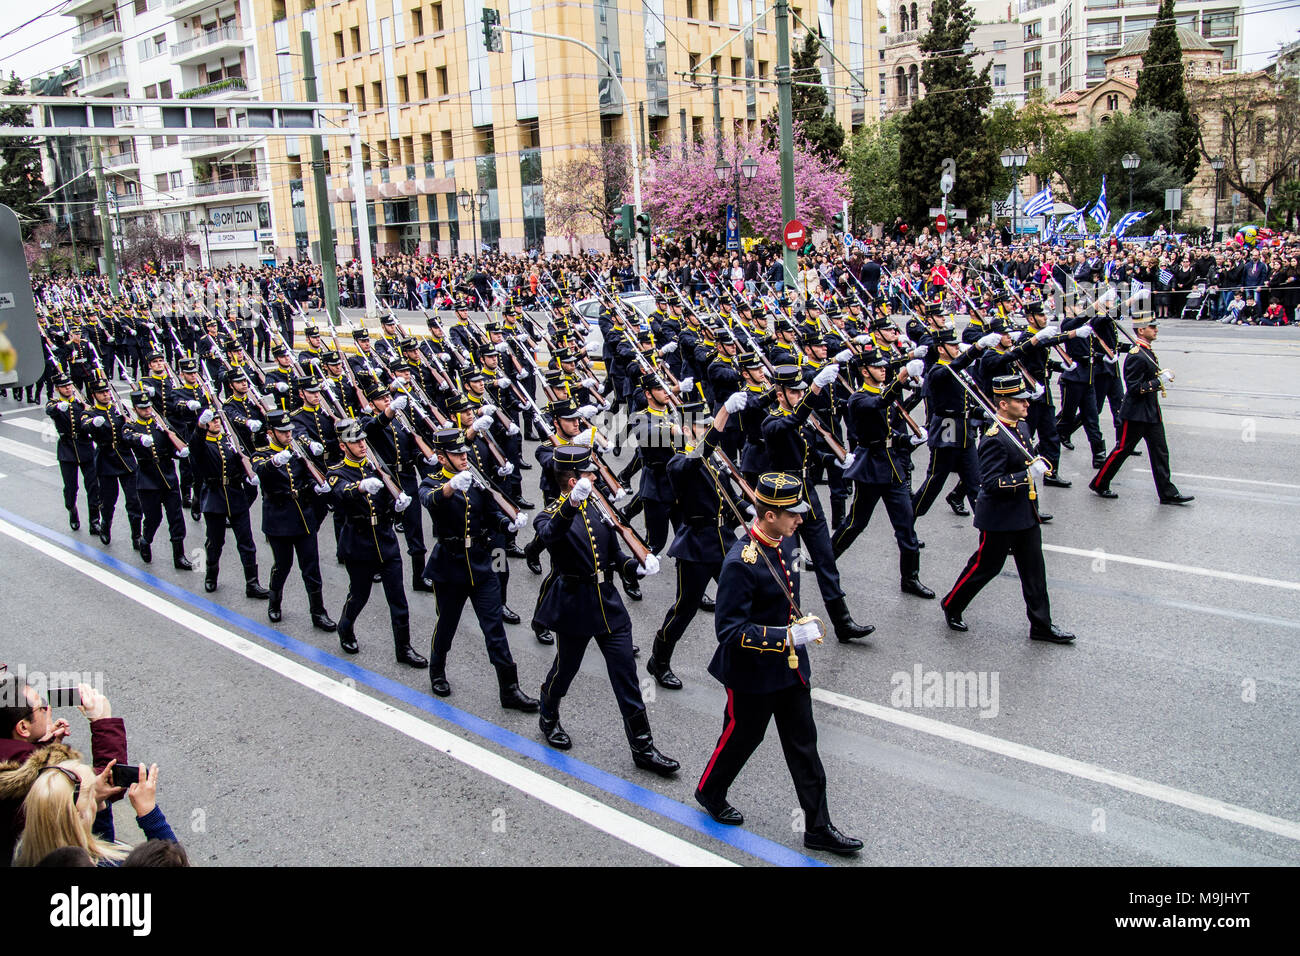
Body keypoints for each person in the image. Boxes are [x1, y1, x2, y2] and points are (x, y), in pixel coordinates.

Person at [695, 472, 863, 855]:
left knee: (804, 744)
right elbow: (730, 630)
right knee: (743, 737)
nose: (800, 520)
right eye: (792, 514)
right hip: (751, 673)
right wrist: (785, 636)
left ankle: (818, 827)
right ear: (769, 515)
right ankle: (710, 790)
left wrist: (798, 628)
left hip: (790, 669)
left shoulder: (786, 542)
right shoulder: (741, 561)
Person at [532, 446, 678, 775]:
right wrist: (570, 506)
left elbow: (613, 555)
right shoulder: (552, 514)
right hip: (575, 605)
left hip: (608, 604)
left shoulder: (599, 510)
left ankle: (643, 746)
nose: (594, 476)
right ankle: (548, 713)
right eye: (587, 473)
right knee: (565, 669)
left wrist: (634, 568)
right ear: (571, 482)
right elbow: (549, 535)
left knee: (626, 675)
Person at [940, 374, 1076, 643]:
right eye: (1020, 401)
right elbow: (989, 483)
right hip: (1000, 519)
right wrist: (1027, 476)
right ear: (1003, 404)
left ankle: (1041, 625)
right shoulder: (994, 439)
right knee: (985, 567)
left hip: (1025, 513)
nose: (1026, 405)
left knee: (1034, 571)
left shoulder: (1020, 427)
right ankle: (952, 604)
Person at [417, 427, 536, 709]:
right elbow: (429, 500)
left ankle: (509, 689)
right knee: (447, 623)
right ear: (442, 457)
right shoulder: (432, 481)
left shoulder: (475, 479)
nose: (463, 457)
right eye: (456, 454)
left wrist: (506, 523)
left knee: (494, 628)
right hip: (450, 565)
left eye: (463, 452)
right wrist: (450, 486)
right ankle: (437, 670)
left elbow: (489, 511)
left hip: (481, 564)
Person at [647, 393, 748, 689]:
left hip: (724, 540)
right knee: (685, 609)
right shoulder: (679, 463)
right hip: (696, 546)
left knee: (739, 600)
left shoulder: (710, 459)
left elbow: (726, 494)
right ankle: (659, 660)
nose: (706, 430)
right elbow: (696, 459)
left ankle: (740, 661)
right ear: (690, 429)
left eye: (708, 425)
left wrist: (749, 508)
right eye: (702, 426)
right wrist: (722, 417)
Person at [831, 350, 934, 600]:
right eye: (877, 367)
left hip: (892, 466)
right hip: (871, 467)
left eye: (884, 367)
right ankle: (827, 558)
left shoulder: (883, 395)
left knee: (906, 525)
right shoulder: (859, 398)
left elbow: (890, 431)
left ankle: (910, 577)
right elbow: (878, 405)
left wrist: (911, 439)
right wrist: (900, 379)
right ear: (865, 371)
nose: (883, 370)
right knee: (857, 522)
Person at [326, 419, 428, 667]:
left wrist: (398, 505)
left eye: (362, 440)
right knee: (359, 595)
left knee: (398, 599)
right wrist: (359, 487)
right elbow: (340, 494)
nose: (362, 445)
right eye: (355, 442)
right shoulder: (336, 472)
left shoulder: (376, 467)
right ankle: (346, 626)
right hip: (358, 543)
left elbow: (388, 498)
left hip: (385, 539)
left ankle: (403, 648)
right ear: (343, 446)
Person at [0, 679, 127, 867]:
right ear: (23, 728)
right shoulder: (36, 772)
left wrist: (42, 747)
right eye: (41, 706)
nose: (48, 707)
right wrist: (103, 722)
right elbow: (105, 783)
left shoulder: (15, 763)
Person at [1089, 314, 1195, 505]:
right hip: (1136, 413)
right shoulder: (1136, 355)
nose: (1155, 330)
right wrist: (1158, 381)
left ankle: (1167, 492)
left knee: (1160, 451)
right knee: (1122, 450)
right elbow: (1135, 387)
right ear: (1141, 330)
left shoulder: (1146, 351)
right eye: (1152, 327)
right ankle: (1099, 482)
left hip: (1151, 412)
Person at [252, 409, 337, 631]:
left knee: (311, 567)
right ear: (271, 433)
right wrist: (275, 461)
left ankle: (318, 612)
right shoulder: (261, 454)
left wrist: (317, 486)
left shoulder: (297, 451)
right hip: (279, 518)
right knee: (282, 566)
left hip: (303, 516)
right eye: (283, 432)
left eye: (290, 431)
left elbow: (307, 475)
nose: (289, 435)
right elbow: (260, 470)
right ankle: (275, 602)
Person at [13, 761, 177, 867]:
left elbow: (99, 844)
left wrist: (97, 804)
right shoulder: (112, 865)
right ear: (77, 816)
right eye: (91, 792)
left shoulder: (24, 851)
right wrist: (149, 814)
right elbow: (175, 861)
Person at [189, 406, 270, 598]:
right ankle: (211, 575)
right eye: (212, 420)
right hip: (214, 497)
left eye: (218, 419)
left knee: (247, 542)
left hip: (235, 496)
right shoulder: (202, 443)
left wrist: (248, 477)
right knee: (215, 542)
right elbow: (195, 444)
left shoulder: (229, 441)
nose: (216, 422)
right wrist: (200, 425)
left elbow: (240, 462)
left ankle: (252, 583)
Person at [125, 389, 194, 570]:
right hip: (148, 480)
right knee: (153, 518)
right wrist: (140, 438)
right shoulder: (131, 426)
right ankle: (146, 540)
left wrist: (180, 452)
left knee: (176, 517)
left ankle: (179, 555)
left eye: (149, 407)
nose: (147, 410)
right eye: (143, 408)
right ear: (135, 409)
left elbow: (172, 445)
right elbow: (127, 437)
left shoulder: (161, 425)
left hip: (168, 476)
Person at [45, 372, 101, 535]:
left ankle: (94, 521)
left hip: (85, 447)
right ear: (57, 389)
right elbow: (49, 409)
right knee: (70, 487)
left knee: (92, 486)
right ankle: (72, 509)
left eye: (69, 385)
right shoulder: (54, 402)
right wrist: (58, 407)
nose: (67, 388)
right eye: (63, 386)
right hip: (67, 449)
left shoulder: (80, 403)